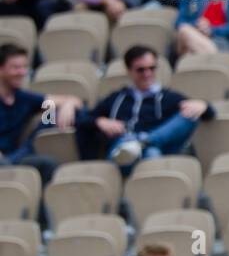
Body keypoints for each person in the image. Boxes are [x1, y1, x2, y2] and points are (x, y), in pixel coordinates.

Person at [80, 45, 214, 169]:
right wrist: (100, 121)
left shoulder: (168, 97)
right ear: (129, 71)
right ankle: (141, 145)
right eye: (141, 70)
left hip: (157, 145)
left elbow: (210, 113)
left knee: (189, 114)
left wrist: (204, 105)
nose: (147, 74)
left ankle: (143, 143)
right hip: (122, 146)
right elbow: (83, 119)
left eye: (151, 68)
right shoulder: (117, 98)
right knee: (150, 153)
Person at [0, 43, 80, 183]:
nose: (22, 72)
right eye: (16, 68)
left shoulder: (23, 98)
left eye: (24, 67)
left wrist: (69, 104)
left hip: (14, 158)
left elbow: (70, 100)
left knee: (47, 163)